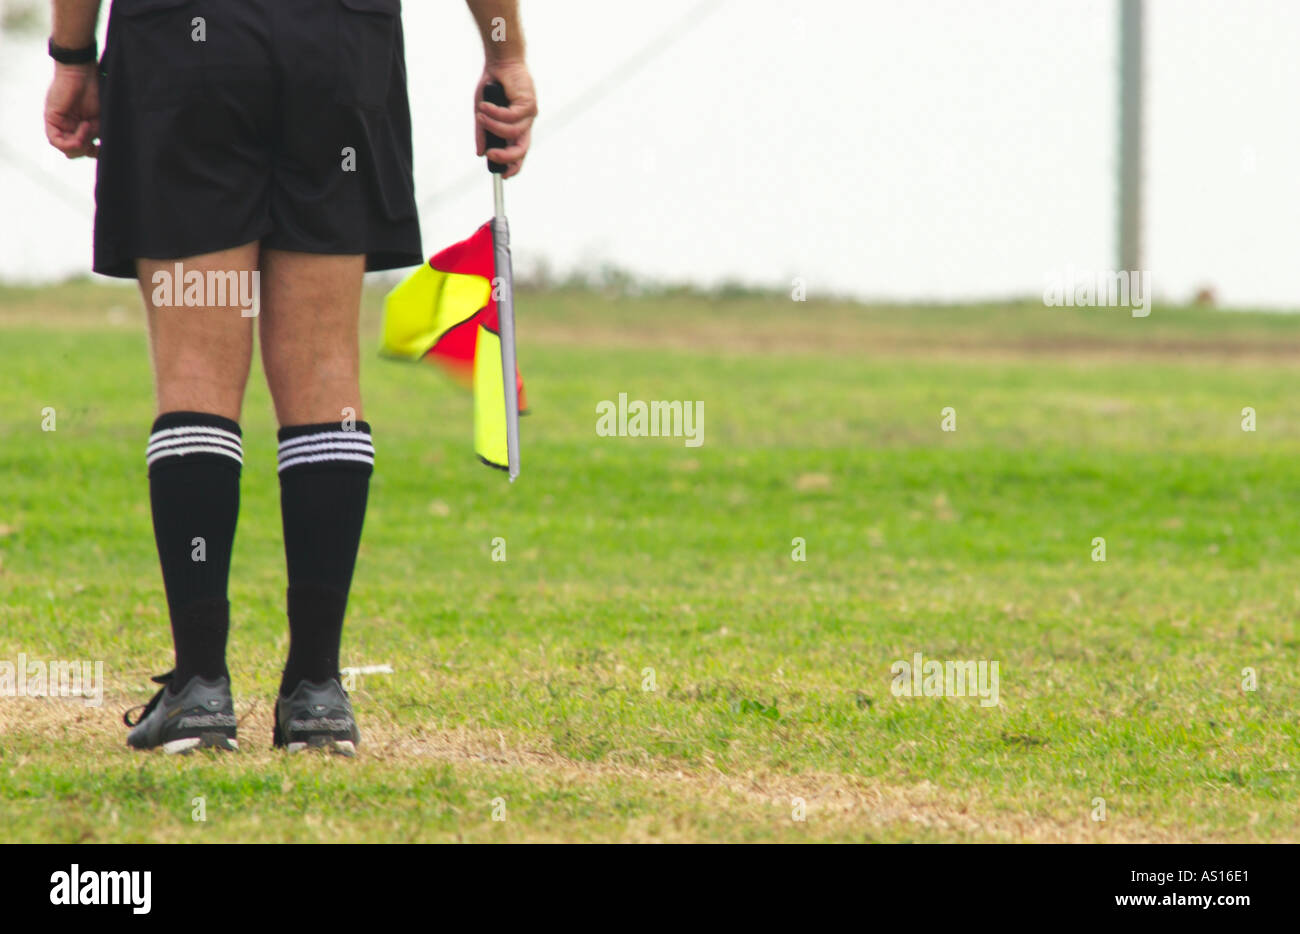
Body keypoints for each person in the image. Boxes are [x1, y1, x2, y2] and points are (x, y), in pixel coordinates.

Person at [43, 0, 537, 754]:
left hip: (185, 40)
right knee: (325, 371)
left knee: (196, 373)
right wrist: (505, 52)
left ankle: (201, 688)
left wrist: (73, 57)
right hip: (337, 42)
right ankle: (316, 694)